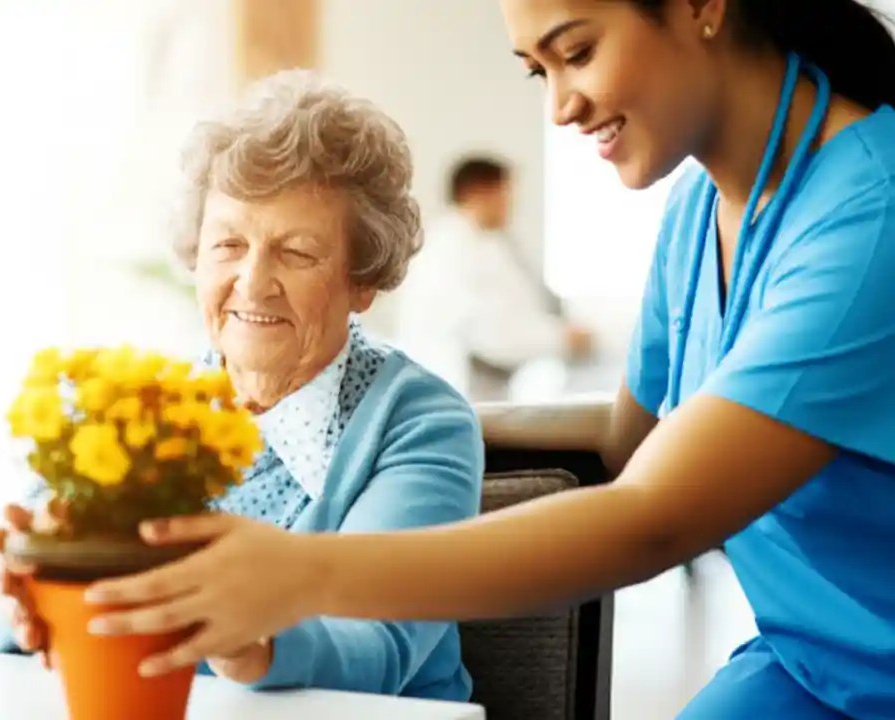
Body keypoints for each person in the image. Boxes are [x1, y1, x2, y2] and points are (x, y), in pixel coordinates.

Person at [74, 2, 895, 717]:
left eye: (576, 52)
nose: (561, 108)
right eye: (537, 70)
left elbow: (655, 518)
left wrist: (300, 569)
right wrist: (410, 419)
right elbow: (628, 436)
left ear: (702, 6)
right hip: (811, 665)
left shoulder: (871, 213)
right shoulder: (696, 213)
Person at [0, 69, 483, 702]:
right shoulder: (142, 407)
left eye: (297, 252)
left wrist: (246, 640)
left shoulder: (417, 421)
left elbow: (378, 647)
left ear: (362, 279)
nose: (253, 283)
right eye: (228, 244)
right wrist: (22, 596)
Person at [400, 156, 594, 397]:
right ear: (480, 192)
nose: (511, 204)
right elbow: (491, 330)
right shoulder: (455, 248)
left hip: (481, 387)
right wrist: (562, 338)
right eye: (506, 193)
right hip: (461, 385)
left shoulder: (482, 242)